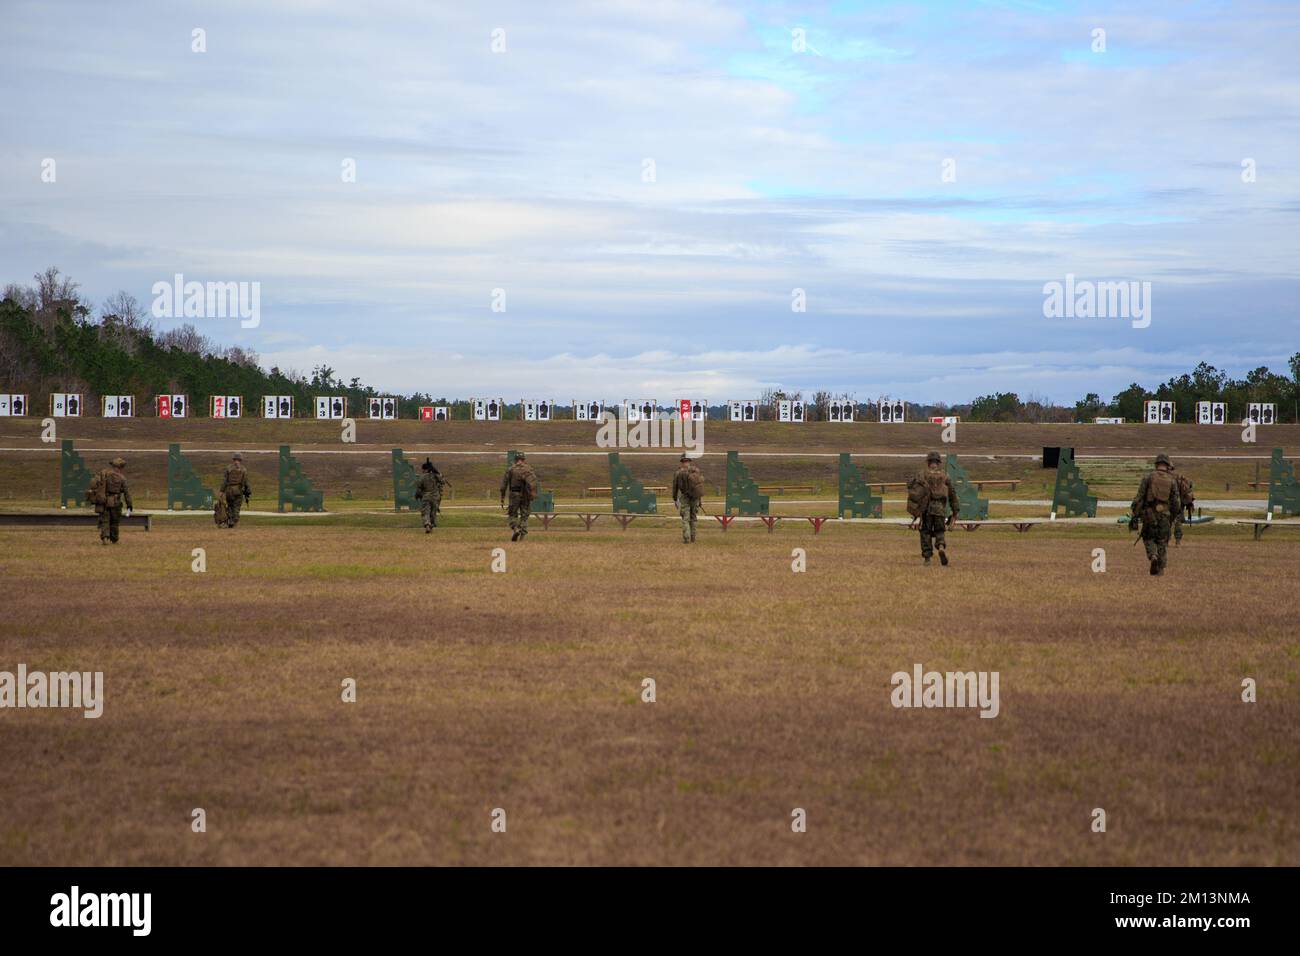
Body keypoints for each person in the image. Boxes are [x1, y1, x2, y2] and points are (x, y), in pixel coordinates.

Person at [1130, 453, 1182, 575]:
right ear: (1167, 465)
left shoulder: (1148, 478)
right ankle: (1160, 570)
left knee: (1148, 538)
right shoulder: (1172, 481)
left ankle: (1153, 555)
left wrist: (1135, 514)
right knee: (1162, 541)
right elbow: (1176, 502)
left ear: (1156, 464)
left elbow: (1139, 498)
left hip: (1149, 514)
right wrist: (1172, 516)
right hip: (1165, 515)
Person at [907, 451, 959, 566]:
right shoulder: (945, 475)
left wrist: (915, 510)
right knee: (940, 531)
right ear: (938, 462)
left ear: (928, 462)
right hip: (940, 509)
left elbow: (912, 489)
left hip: (926, 510)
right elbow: (952, 494)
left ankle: (927, 559)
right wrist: (955, 511)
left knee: (925, 532)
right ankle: (940, 547)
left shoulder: (922, 474)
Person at [87, 457, 133, 544]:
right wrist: (129, 505)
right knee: (115, 521)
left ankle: (104, 538)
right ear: (121, 467)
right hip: (116, 502)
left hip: (104, 501)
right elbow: (127, 493)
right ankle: (114, 539)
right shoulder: (122, 478)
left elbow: (94, 484)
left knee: (105, 520)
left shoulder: (104, 474)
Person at [499, 452, 537, 541]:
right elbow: (533, 483)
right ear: (524, 459)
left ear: (515, 460)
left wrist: (502, 497)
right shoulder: (529, 469)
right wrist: (532, 495)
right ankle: (522, 537)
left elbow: (504, 485)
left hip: (514, 494)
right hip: (525, 495)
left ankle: (515, 529)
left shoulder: (511, 469)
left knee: (512, 514)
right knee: (524, 516)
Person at [672, 453, 706, 544]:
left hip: (684, 497)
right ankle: (693, 538)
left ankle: (686, 539)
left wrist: (675, 499)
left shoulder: (678, 473)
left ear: (681, 462)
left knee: (685, 518)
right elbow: (699, 487)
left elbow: (675, 487)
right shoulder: (696, 471)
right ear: (690, 461)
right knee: (693, 517)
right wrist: (700, 500)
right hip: (695, 498)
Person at [414, 458, 449, 532]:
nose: (422, 471)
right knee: (433, 512)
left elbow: (418, 488)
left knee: (425, 512)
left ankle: (427, 524)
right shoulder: (435, 476)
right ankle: (432, 524)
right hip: (436, 497)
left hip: (426, 497)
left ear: (425, 469)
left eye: (423, 469)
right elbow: (443, 482)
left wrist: (417, 495)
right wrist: (438, 473)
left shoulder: (422, 477)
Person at [221, 453, 252, 528]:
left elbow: (225, 481)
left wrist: (221, 491)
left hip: (229, 491)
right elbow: (245, 482)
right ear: (241, 460)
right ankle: (234, 521)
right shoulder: (243, 469)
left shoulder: (228, 468)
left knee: (230, 506)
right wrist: (248, 491)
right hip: (238, 491)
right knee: (236, 507)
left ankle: (231, 520)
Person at [1171, 464, 1195, 546]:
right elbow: (1187, 491)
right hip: (1179, 504)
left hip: (1167, 504)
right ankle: (1178, 541)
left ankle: (1165, 541)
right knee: (1178, 523)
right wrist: (1189, 503)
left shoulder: (1165, 477)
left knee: (1166, 523)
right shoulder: (1180, 478)